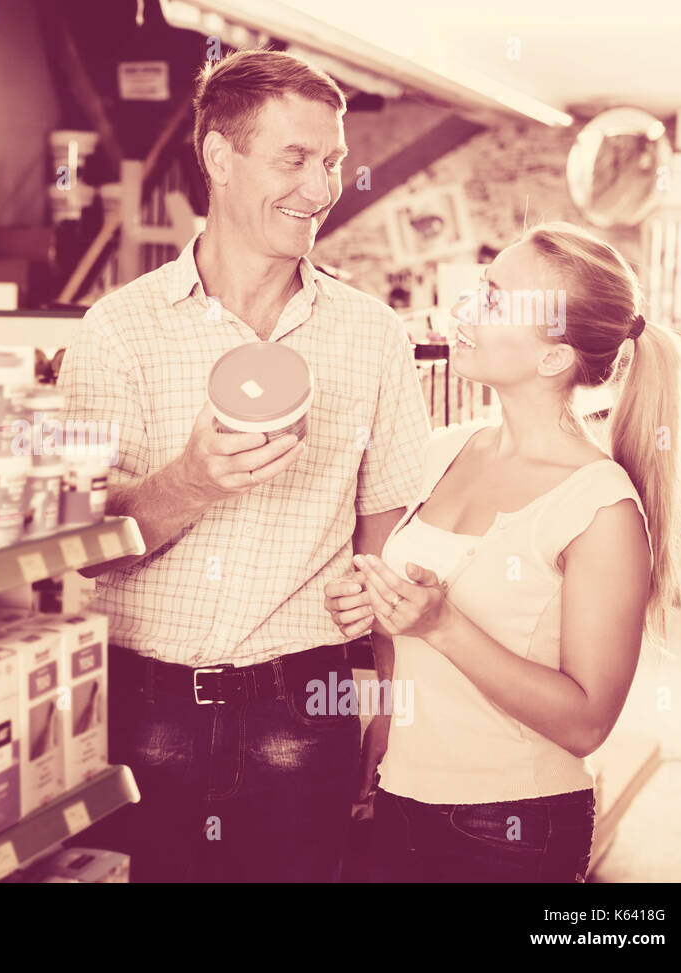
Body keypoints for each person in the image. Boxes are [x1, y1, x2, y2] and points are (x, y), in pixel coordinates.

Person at [58, 49, 431, 882]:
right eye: (293, 158)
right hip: (139, 707)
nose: (322, 186)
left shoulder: (372, 334)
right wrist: (191, 478)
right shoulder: (120, 330)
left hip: (306, 704)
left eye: (332, 160)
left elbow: (386, 542)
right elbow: (85, 546)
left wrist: (379, 701)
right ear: (220, 157)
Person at [324, 221, 681, 882]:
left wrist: (442, 624)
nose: (466, 310)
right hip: (396, 796)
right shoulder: (445, 450)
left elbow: (587, 722)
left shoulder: (600, 508)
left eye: (496, 301)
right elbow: (401, 637)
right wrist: (372, 609)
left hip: (508, 829)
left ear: (555, 357)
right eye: (480, 288)